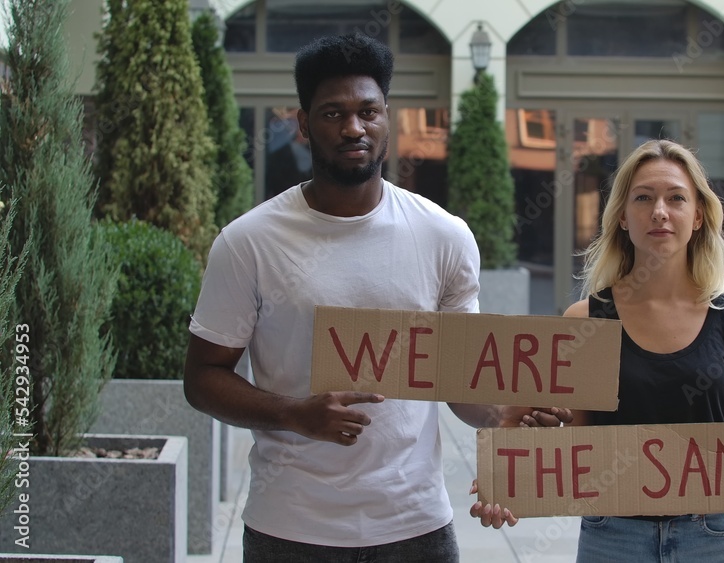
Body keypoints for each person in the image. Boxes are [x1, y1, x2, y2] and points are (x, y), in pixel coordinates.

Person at [184, 32, 565, 562]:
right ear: (303, 125)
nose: (353, 128)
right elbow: (202, 378)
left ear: (388, 116)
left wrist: (502, 413)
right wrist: (296, 413)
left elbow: (460, 380)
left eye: (368, 111)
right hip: (289, 529)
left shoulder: (444, 236)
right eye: (333, 114)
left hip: (416, 527)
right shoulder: (249, 241)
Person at [535, 139, 724, 562]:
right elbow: (579, 446)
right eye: (643, 197)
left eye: (676, 198)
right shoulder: (585, 321)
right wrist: (511, 473)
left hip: (715, 537)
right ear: (621, 216)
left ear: (698, 216)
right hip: (613, 537)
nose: (659, 211)